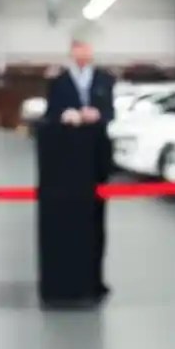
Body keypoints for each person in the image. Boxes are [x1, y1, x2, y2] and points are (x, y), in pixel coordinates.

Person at [42, 33, 116, 300]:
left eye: (87, 47)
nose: (83, 52)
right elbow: (51, 113)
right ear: (72, 52)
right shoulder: (59, 81)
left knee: (97, 221)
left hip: (96, 157)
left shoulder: (105, 79)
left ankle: (96, 279)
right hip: (67, 159)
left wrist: (97, 114)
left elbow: (110, 112)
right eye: (79, 48)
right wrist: (66, 115)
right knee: (69, 221)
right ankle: (69, 278)